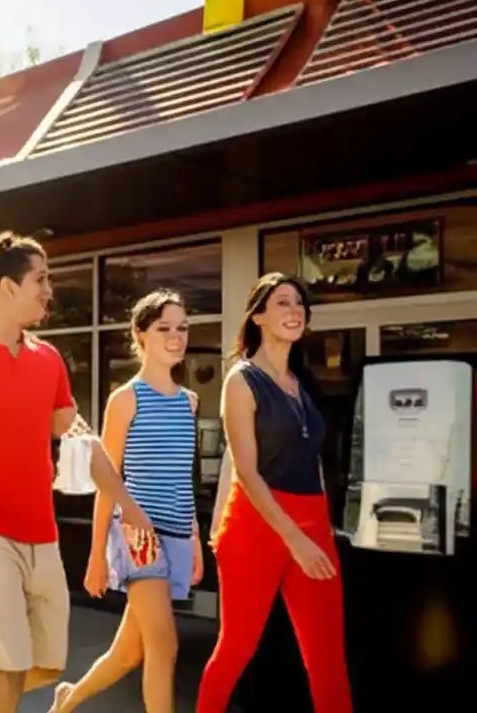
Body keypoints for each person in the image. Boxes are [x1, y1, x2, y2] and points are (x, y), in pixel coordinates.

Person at [0, 231, 152, 713]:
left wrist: (128, 507)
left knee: (43, 666)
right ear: (7, 287)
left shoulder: (48, 362)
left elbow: (82, 440)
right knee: (6, 667)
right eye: (41, 279)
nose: (49, 289)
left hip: (39, 535)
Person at [196, 273, 353, 713]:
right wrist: (295, 538)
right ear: (259, 316)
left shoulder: (304, 385)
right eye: (282, 302)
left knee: (327, 660)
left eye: (299, 304)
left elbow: (315, 464)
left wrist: (319, 527)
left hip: (311, 521)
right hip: (254, 524)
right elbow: (245, 470)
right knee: (235, 650)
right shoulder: (241, 380)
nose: (294, 310)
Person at [49, 289, 201, 713]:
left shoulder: (189, 402)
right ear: (141, 335)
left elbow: (183, 479)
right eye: (164, 328)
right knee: (165, 647)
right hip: (137, 535)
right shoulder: (126, 399)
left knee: (129, 652)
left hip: (174, 534)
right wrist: (97, 555)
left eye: (182, 328)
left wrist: (193, 538)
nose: (176, 337)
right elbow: (108, 480)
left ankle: (67, 698)